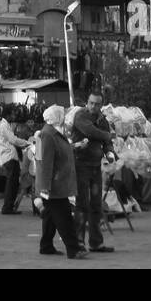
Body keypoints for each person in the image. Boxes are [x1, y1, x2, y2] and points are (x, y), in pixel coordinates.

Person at [37, 106, 86, 259]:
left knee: (51, 216)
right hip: (54, 186)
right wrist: (45, 186)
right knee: (64, 217)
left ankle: (46, 246)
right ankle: (73, 249)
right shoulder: (48, 135)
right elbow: (44, 162)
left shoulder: (51, 133)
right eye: (62, 115)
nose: (64, 117)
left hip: (54, 184)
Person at [70, 91, 114, 250]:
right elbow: (90, 131)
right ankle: (79, 243)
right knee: (82, 205)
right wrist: (107, 136)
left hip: (95, 166)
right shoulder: (80, 115)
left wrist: (109, 153)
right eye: (91, 103)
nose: (94, 106)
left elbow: (107, 142)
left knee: (96, 205)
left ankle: (96, 243)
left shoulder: (103, 120)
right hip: (80, 165)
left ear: (101, 105)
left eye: (97, 104)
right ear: (87, 103)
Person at [0, 105, 27, 215]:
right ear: (8, 114)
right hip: (8, 157)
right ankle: (7, 207)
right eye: (13, 114)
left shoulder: (6, 125)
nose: (14, 116)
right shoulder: (3, 125)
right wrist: (26, 143)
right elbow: (13, 140)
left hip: (11, 157)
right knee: (11, 183)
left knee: (13, 183)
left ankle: (10, 206)